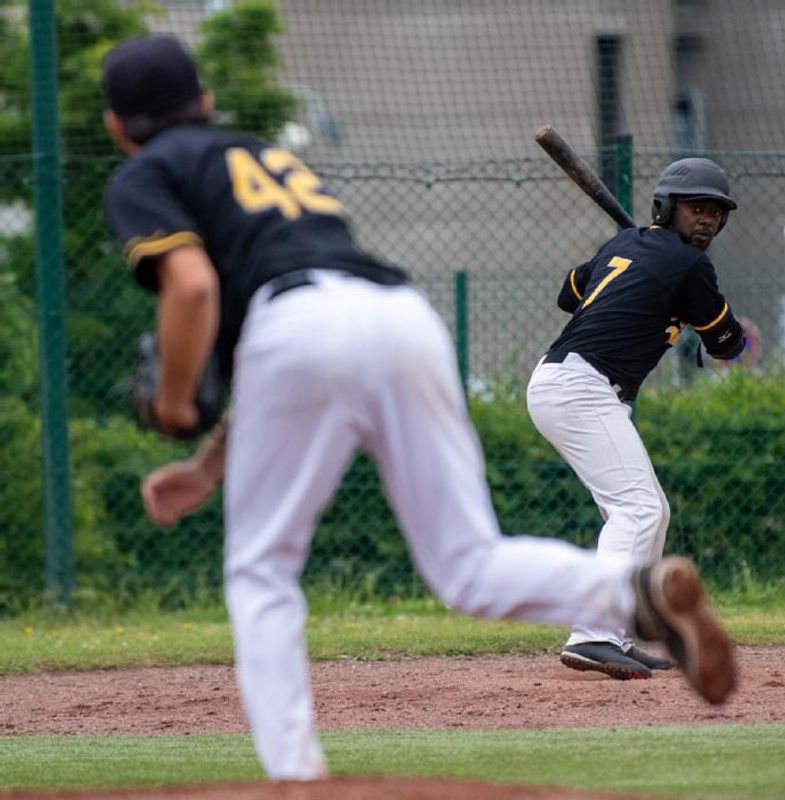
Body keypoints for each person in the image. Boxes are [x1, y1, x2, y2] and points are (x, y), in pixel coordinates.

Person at [100, 35, 736, 781]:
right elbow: (280, 339)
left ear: (117, 126)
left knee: (261, 571)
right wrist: (212, 466)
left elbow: (201, 294)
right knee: (467, 562)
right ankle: (631, 592)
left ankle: (296, 775)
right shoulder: (261, 155)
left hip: (299, 325)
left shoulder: (148, 174)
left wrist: (177, 407)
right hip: (401, 314)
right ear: (206, 103)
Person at [527, 158, 746, 680]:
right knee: (639, 510)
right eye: (696, 208)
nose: (707, 220)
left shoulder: (622, 247)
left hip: (572, 385)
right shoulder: (687, 265)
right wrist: (663, 269)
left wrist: (635, 252)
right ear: (666, 209)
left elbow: (570, 291)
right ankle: (593, 633)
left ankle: (615, 631)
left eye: (715, 212)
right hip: (581, 387)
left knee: (650, 511)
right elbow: (728, 344)